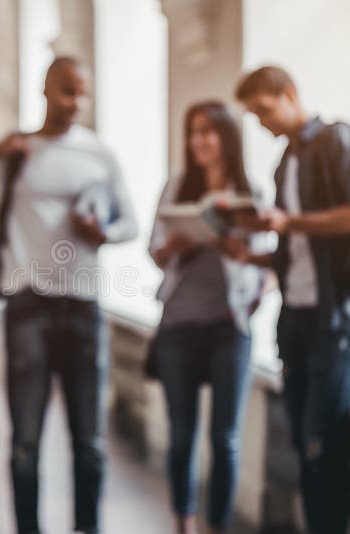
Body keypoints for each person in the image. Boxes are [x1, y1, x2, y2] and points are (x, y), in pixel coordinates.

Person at [0, 57, 138, 534]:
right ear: (46, 90)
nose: (76, 103)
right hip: (28, 307)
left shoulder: (99, 155)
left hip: (85, 306)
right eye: (67, 91)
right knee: (25, 440)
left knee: (89, 441)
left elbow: (131, 223)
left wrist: (102, 231)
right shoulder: (16, 152)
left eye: (83, 93)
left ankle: (87, 527)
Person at [230, 66, 350, 534]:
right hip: (295, 316)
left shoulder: (338, 142)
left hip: (338, 316)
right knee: (303, 438)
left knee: (323, 439)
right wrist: (250, 251)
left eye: (264, 110)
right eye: (253, 115)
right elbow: (293, 252)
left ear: (290, 94)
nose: (261, 123)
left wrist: (288, 223)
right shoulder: (287, 160)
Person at [149, 101, 265, 534]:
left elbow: (268, 263)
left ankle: (217, 526)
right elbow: (154, 251)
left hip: (229, 328)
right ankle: (184, 523)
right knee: (181, 438)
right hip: (178, 325)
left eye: (207, 132)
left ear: (227, 137)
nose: (198, 141)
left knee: (225, 439)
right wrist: (177, 246)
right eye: (192, 132)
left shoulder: (251, 192)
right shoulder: (177, 186)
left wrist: (243, 258)